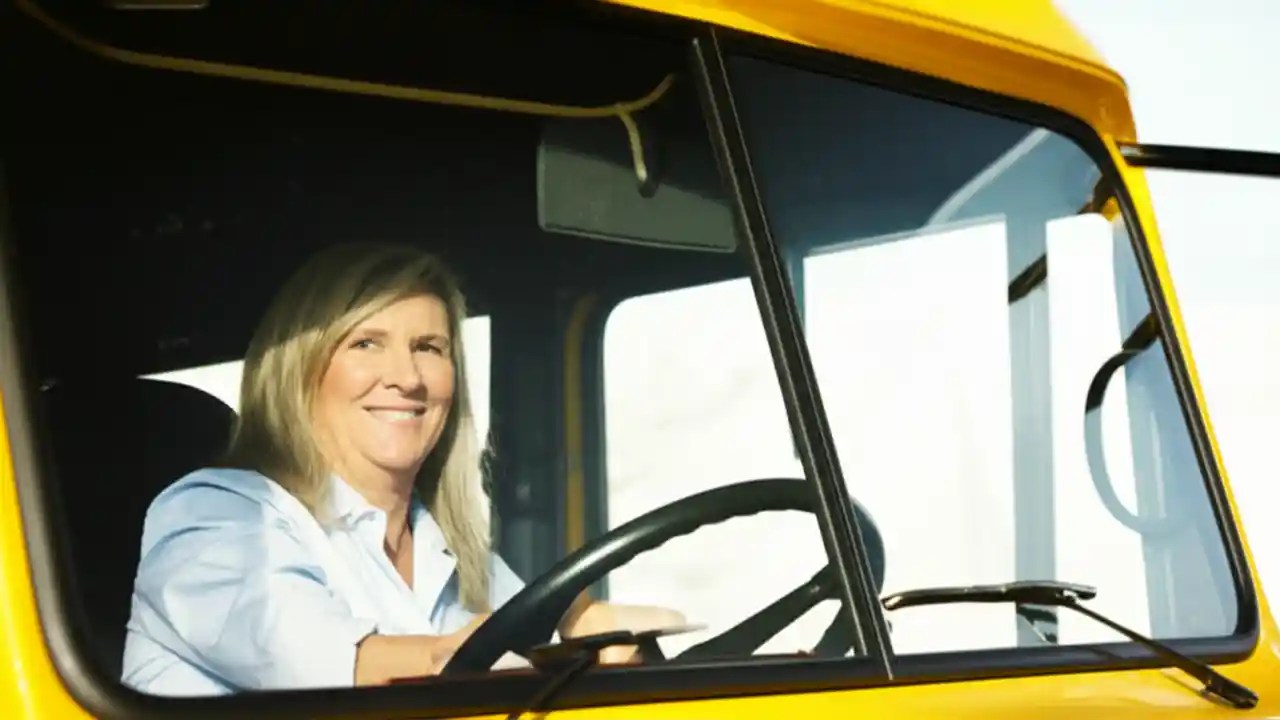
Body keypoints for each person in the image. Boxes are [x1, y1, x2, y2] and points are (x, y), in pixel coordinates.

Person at [121, 243, 683, 696]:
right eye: (367, 343)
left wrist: (601, 640)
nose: (406, 378)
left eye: (429, 348)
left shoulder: (459, 554)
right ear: (301, 370)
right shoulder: (216, 517)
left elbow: (545, 635)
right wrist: (510, 656)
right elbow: (332, 663)